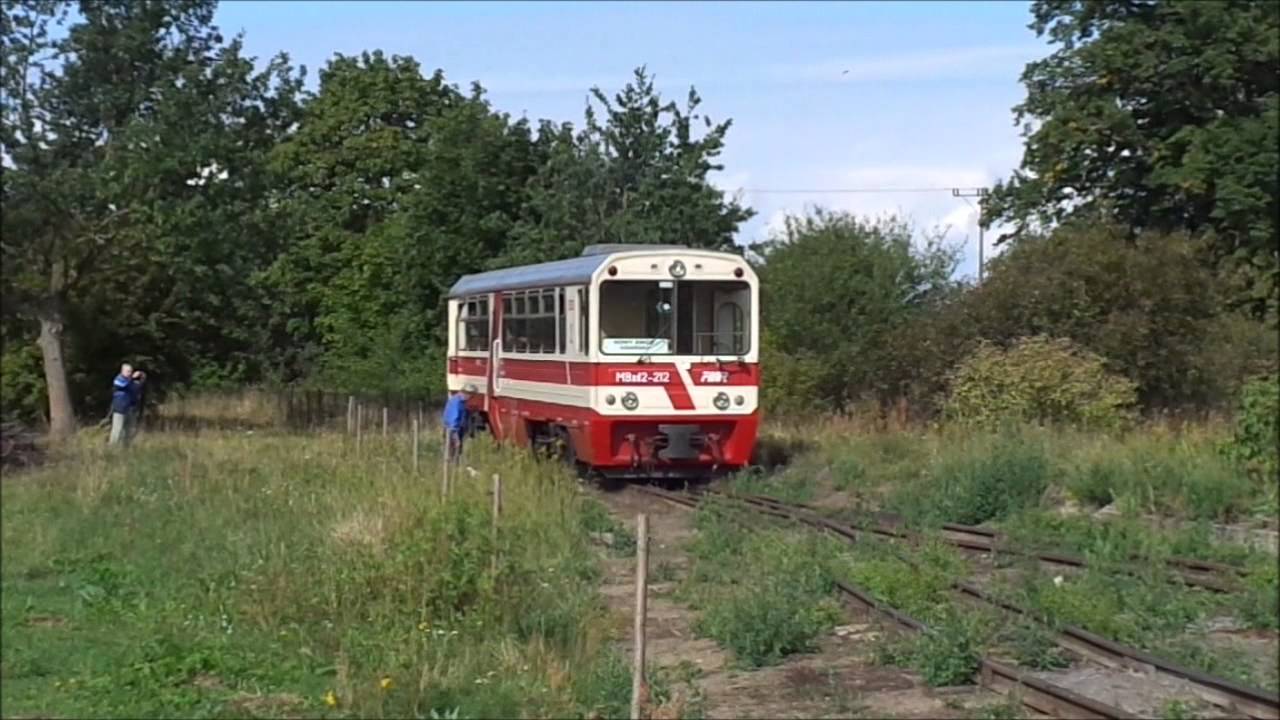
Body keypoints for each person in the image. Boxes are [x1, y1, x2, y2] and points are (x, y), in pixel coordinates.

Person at [109, 363, 138, 446]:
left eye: (131, 371)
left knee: (129, 429)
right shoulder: (118, 379)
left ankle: (126, 447)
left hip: (129, 408)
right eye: (128, 371)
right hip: (119, 408)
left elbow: (135, 390)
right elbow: (123, 385)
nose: (130, 373)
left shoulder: (130, 381)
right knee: (117, 429)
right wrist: (132, 378)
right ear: (122, 371)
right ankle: (112, 447)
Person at [442, 385, 472, 464]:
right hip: (452, 430)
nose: (470, 398)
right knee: (453, 451)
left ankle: (453, 468)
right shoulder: (457, 402)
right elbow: (453, 419)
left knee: (455, 451)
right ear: (466, 393)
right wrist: (455, 435)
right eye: (470, 395)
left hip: (454, 429)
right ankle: (451, 470)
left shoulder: (459, 401)